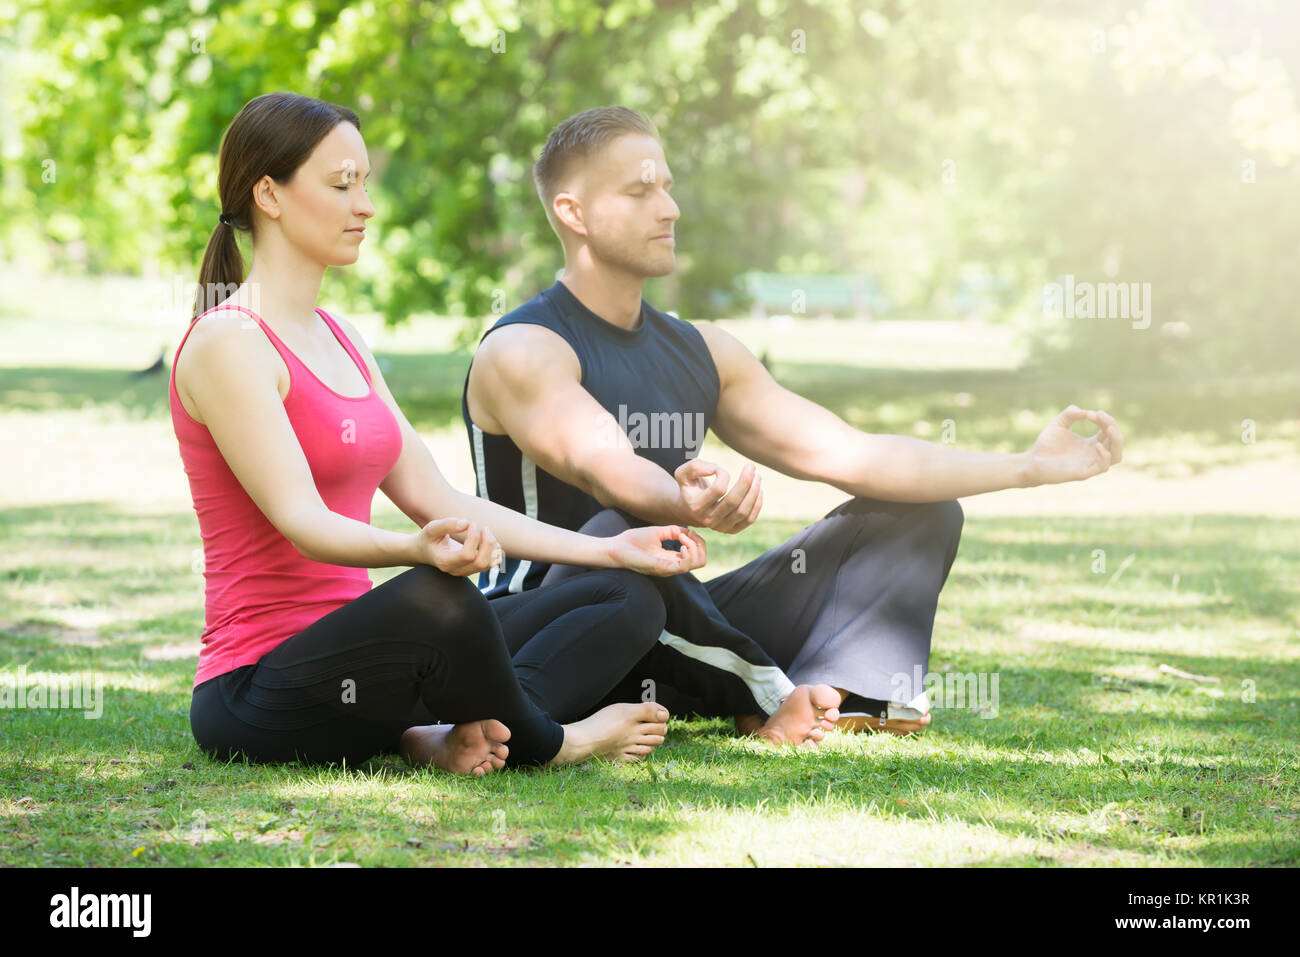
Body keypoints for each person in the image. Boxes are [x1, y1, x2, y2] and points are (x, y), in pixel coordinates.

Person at [462, 106, 1126, 742]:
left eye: (667, 186)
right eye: (640, 192)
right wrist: (683, 501)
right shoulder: (525, 348)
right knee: (629, 531)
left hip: (671, 625)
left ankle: (841, 692)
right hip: (552, 628)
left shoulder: (702, 350)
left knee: (919, 511)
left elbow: (855, 453)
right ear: (572, 212)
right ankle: (769, 697)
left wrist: (1027, 467)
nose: (670, 208)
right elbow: (603, 467)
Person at [172, 92, 710, 775]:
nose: (365, 205)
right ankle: (553, 739)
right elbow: (301, 519)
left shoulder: (342, 337)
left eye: (365, 183)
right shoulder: (230, 341)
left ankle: (455, 733)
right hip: (258, 688)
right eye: (342, 185)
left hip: (368, 660)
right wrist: (412, 549)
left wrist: (609, 552)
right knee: (438, 596)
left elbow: (439, 494)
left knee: (626, 595)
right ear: (269, 195)